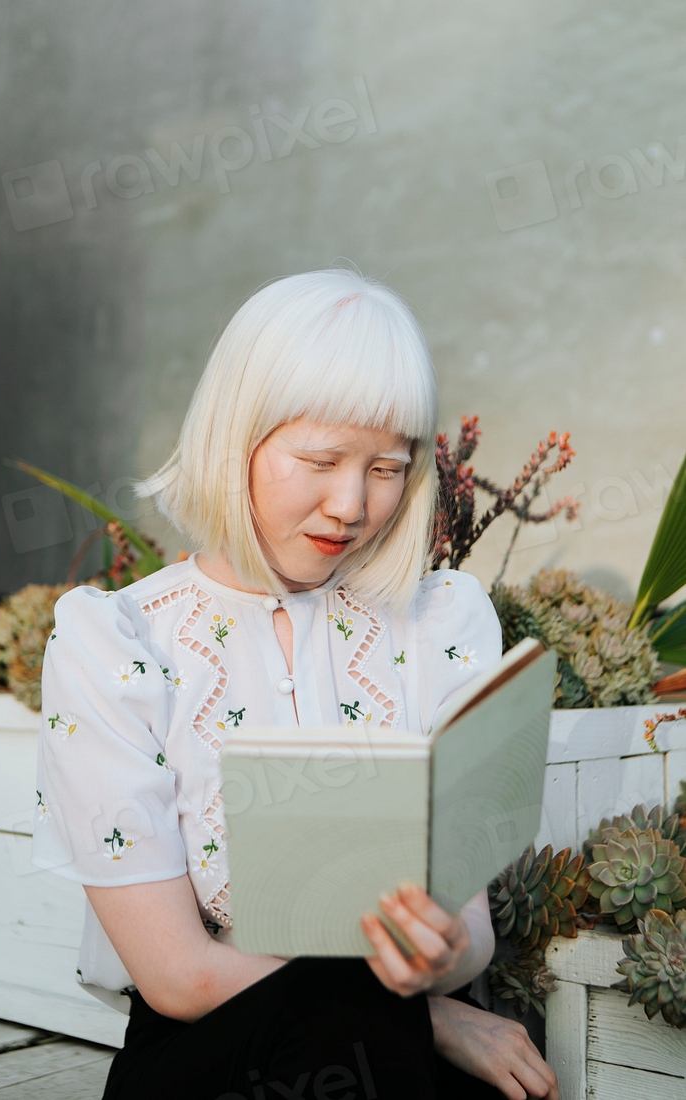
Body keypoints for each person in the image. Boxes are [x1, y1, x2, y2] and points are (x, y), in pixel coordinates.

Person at [30, 268, 559, 1100]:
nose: (351, 505)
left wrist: (440, 961)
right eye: (319, 459)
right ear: (233, 437)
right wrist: (432, 1018)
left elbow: (471, 935)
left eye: (388, 468)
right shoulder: (117, 643)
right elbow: (177, 976)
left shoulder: (438, 622)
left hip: (397, 1060)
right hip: (217, 1052)